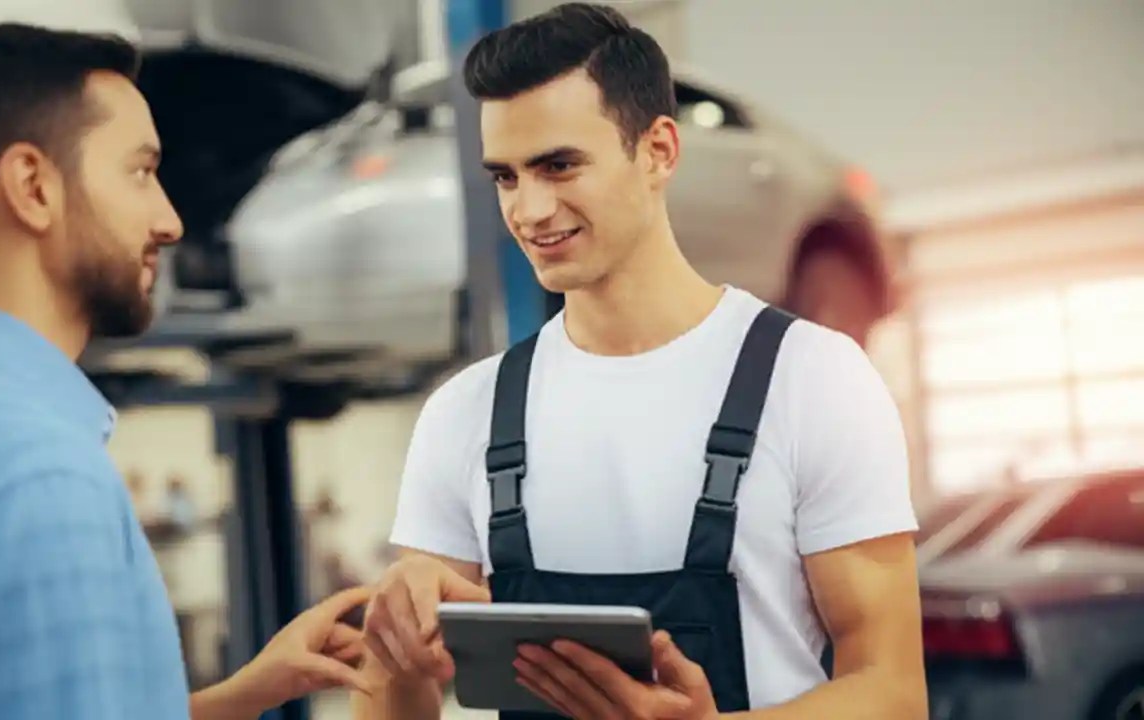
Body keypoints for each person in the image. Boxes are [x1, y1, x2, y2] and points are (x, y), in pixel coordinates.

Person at [356, 4, 927, 719]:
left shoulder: (813, 379)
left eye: (559, 165)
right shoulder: (465, 413)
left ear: (658, 150)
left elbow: (894, 693)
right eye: (505, 177)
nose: (530, 210)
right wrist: (396, 659)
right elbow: (395, 697)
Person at [0, 23, 370, 719]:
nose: (169, 219)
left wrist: (244, 694)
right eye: (140, 171)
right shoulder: (31, 469)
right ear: (33, 187)